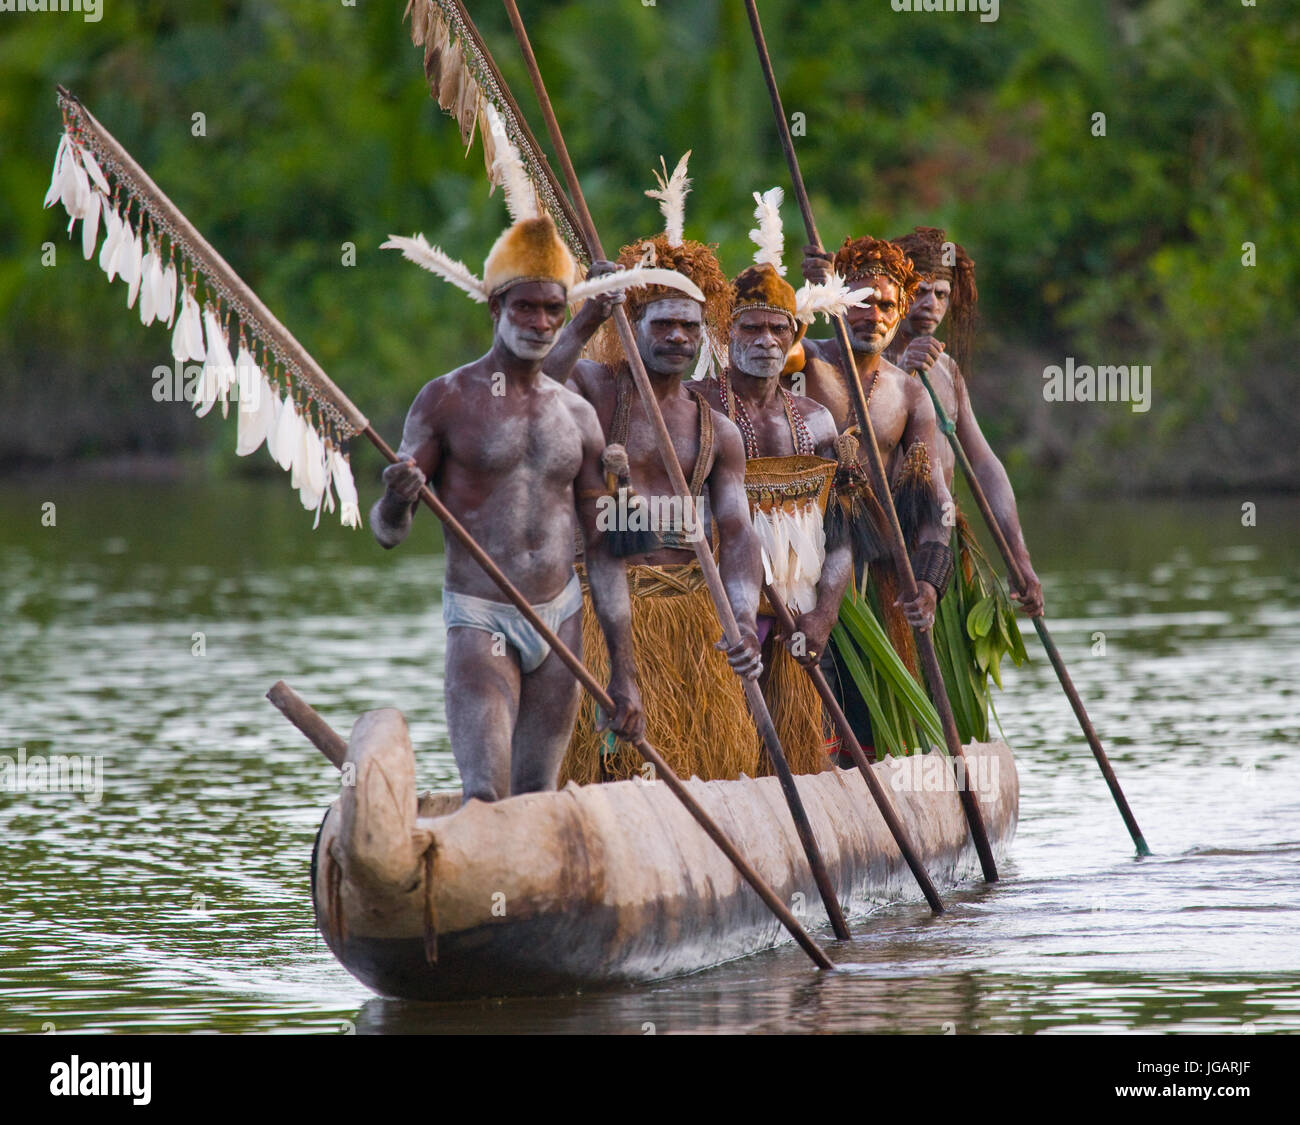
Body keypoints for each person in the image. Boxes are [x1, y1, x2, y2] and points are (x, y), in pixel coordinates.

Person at [371, 213, 649, 802]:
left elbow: (603, 551)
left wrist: (624, 673)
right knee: (487, 796)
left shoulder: (576, 416)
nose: (541, 323)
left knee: (536, 795)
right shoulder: (445, 399)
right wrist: (397, 499)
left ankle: (529, 894)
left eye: (553, 309)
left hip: (561, 615)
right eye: (526, 307)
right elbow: (388, 533)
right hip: (481, 616)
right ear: (495, 308)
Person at [548, 161, 768, 784]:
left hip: (692, 616)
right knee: (598, 769)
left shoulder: (716, 430)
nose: (676, 335)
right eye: (662, 323)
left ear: (703, 337)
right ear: (636, 328)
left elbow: (738, 530)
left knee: (703, 768)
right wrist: (587, 316)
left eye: (689, 327)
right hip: (597, 606)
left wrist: (745, 617)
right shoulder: (596, 388)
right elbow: (533, 389)